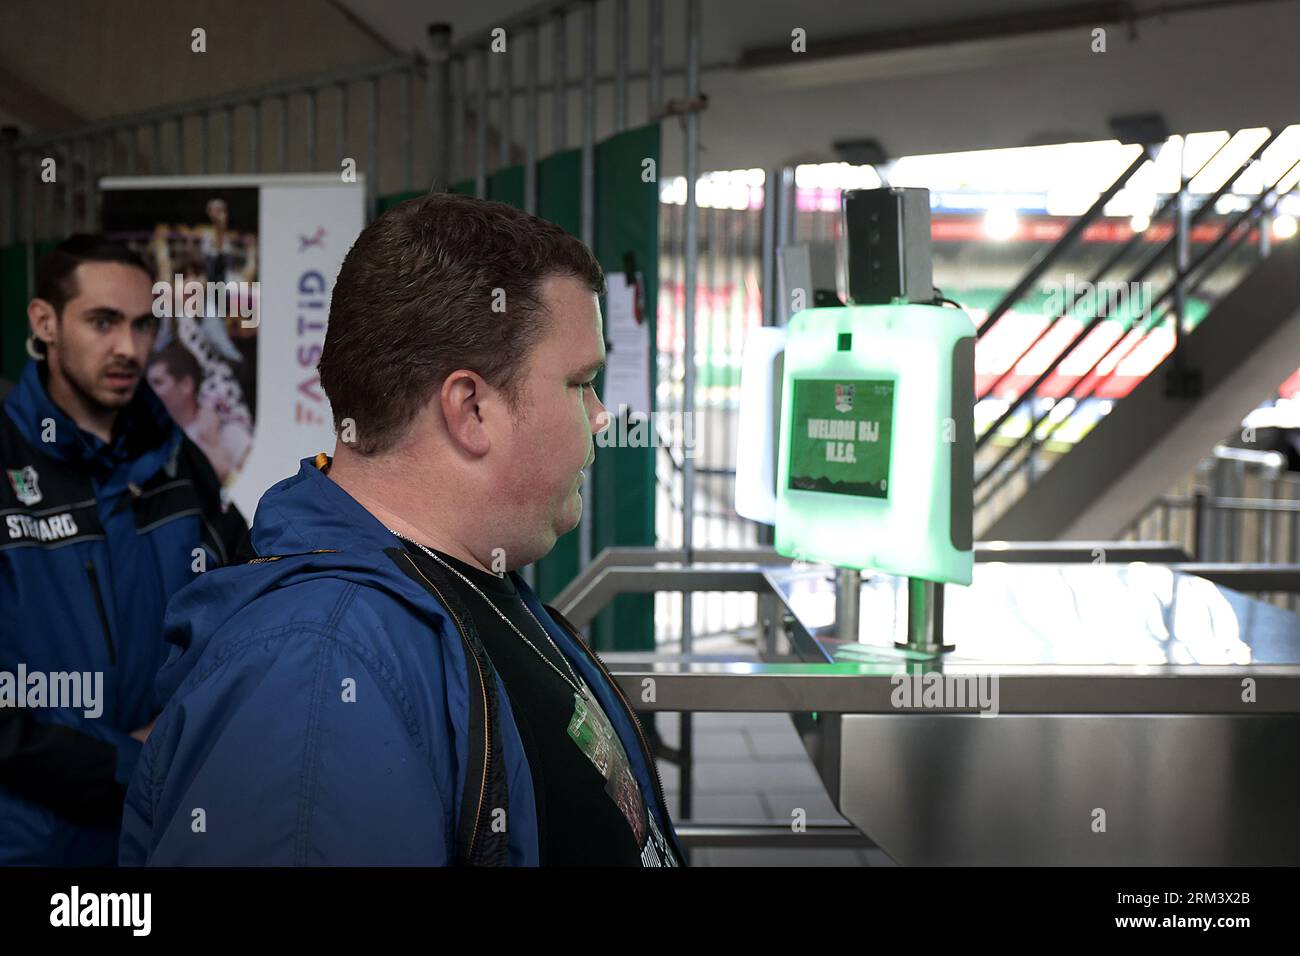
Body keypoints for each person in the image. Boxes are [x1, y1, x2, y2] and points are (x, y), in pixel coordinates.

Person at [120, 193, 685, 866]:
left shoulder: (457, 585)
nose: (599, 415)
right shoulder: (318, 673)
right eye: (580, 383)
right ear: (471, 408)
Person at [0, 235, 247, 865]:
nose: (128, 349)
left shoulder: (177, 461)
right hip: (36, 850)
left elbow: (244, 605)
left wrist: (183, 730)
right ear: (44, 322)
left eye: (143, 326)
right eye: (103, 322)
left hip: (169, 838)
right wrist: (129, 761)